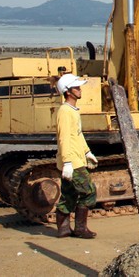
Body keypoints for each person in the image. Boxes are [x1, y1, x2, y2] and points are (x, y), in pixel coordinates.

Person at [54, 73, 98, 239]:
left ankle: (64, 229)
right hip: (73, 162)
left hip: (76, 159)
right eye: (76, 87)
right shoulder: (65, 112)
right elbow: (64, 138)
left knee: (69, 194)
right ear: (68, 92)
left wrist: (87, 152)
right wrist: (67, 163)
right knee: (89, 191)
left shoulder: (72, 111)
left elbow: (77, 135)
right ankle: (80, 229)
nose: (80, 90)